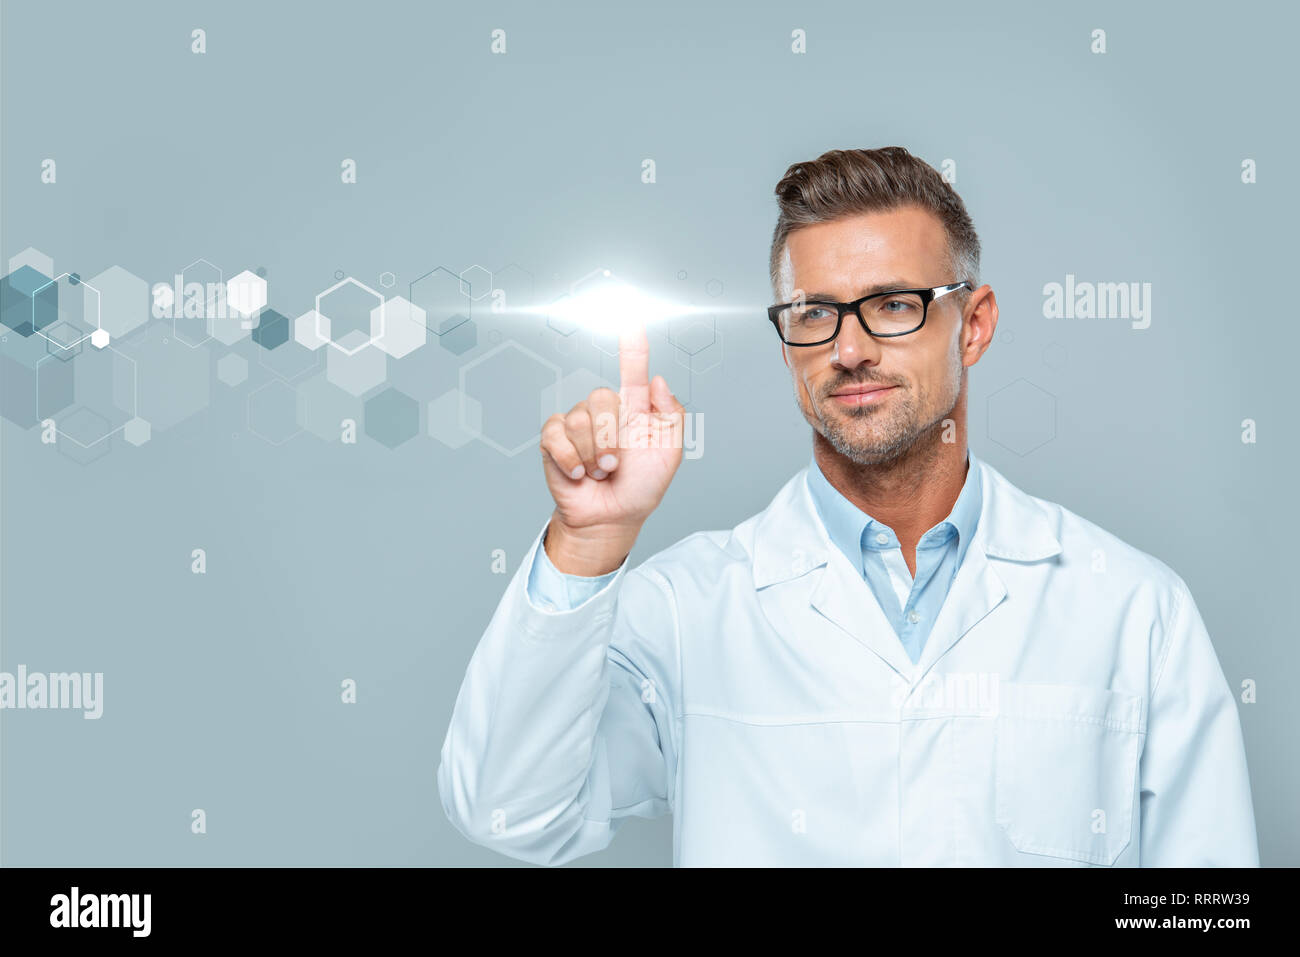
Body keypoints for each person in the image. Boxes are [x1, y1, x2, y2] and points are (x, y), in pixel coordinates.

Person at [437, 147, 1259, 867]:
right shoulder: (688, 611)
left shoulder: (1130, 607)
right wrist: (590, 540)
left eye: (895, 304)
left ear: (972, 326)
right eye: (815, 313)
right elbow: (508, 810)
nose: (850, 348)